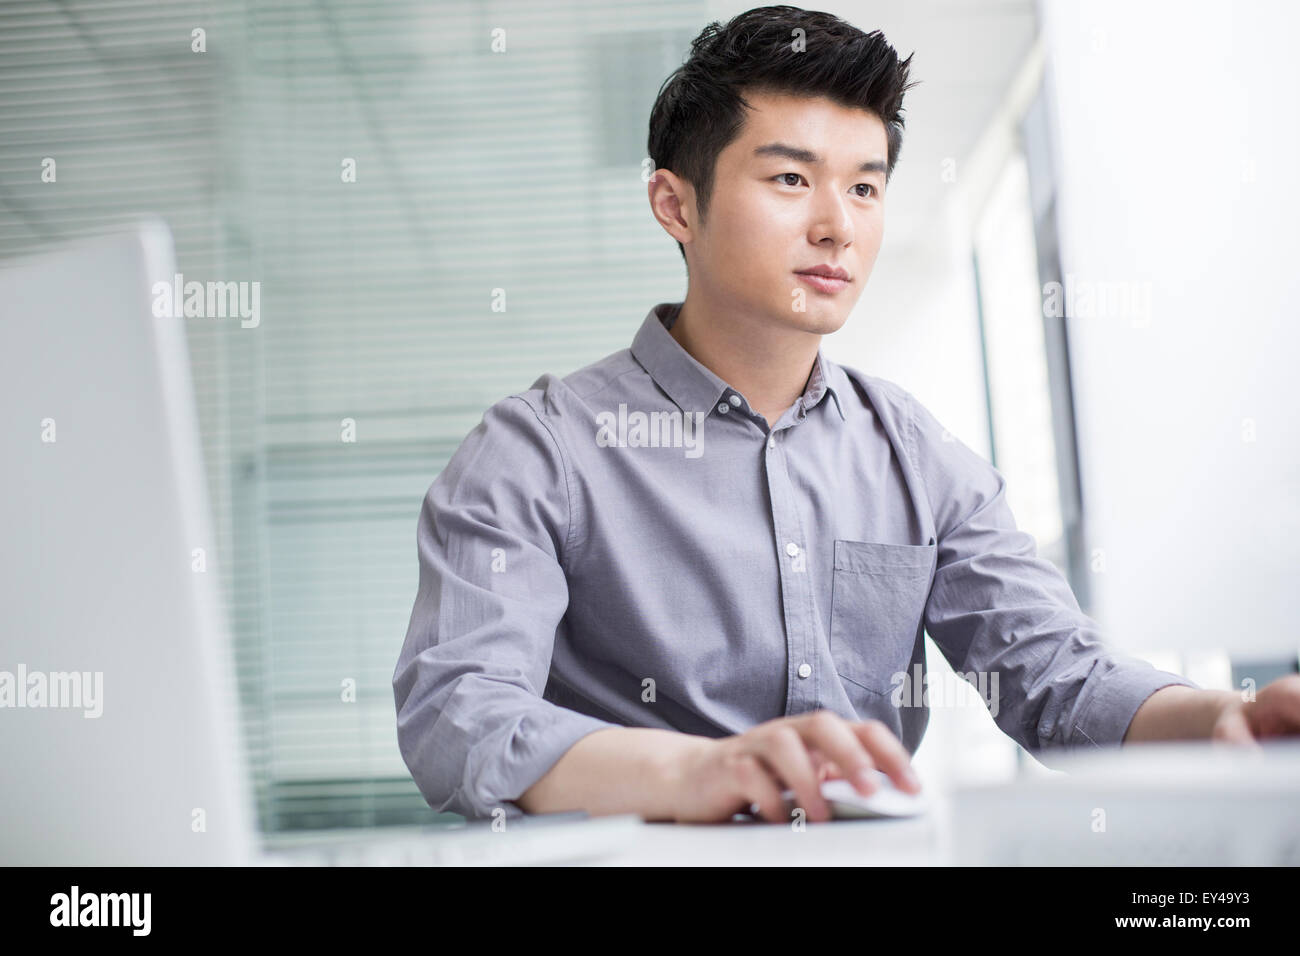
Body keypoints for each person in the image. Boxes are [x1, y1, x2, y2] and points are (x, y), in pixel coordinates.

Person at [392, 5, 1300, 824]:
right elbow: (461, 713)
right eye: (791, 180)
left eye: (864, 188)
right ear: (676, 204)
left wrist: (1223, 719)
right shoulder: (538, 449)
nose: (838, 226)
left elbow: (1059, 680)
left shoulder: (918, 456)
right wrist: (697, 776)